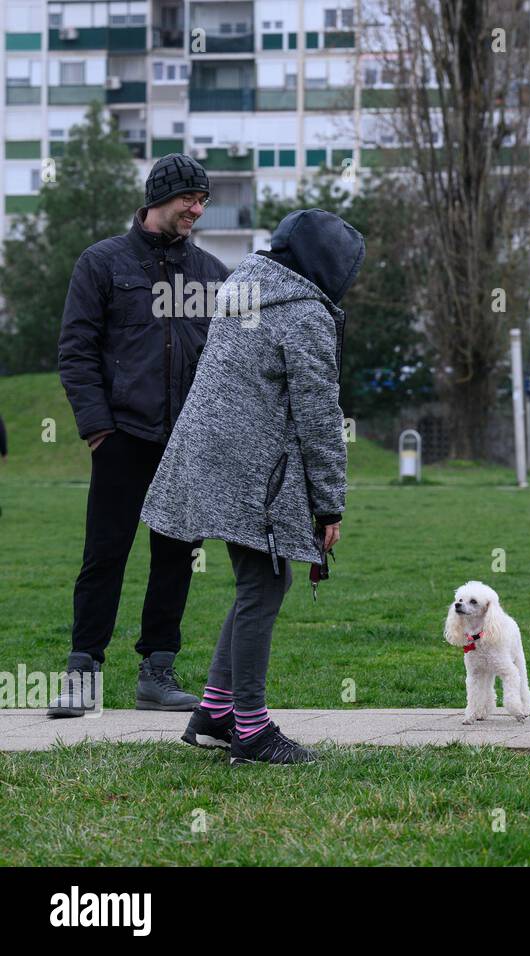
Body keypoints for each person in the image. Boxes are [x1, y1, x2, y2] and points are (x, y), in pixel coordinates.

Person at [141, 208, 365, 765]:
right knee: (263, 586)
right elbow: (319, 417)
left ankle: (216, 713)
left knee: (259, 584)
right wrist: (329, 504)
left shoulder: (244, 290)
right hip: (252, 471)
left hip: (208, 458)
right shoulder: (303, 313)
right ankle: (252, 730)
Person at [51, 153, 230, 717]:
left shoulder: (213, 274)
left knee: (176, 557)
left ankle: (157, 671)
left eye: (203, 201)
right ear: (159, 197)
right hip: (122, 434)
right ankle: (83, 675)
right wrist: (98, 428)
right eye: (188, 200)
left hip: (188, 442)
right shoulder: (101, 263)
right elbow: (76, 351)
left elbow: (226, 361)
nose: (196, 210)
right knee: (104, 553)